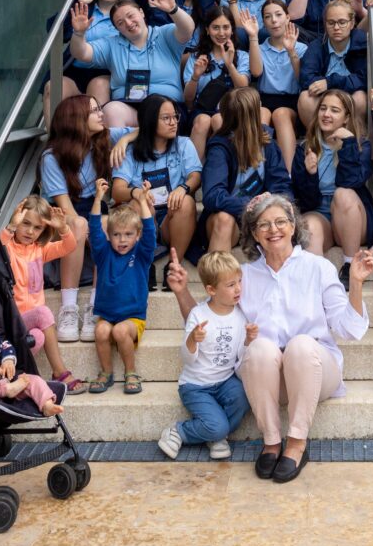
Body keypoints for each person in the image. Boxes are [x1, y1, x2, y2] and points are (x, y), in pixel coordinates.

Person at [166, 195, 373, 483]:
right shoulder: (246, 276)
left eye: (280, 222)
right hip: (267, 377)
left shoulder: (319, 268)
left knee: (301, 345)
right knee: (260, 347)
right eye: (263, 225)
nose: (273, 229)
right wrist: (181, 291)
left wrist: (355, 283)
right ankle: (271, 440)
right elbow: (209, 319)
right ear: (254, 234)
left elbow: (348, 329)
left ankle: (297, 442)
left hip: (315, 371)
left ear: (293, 226)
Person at [39, 94, 131, 351]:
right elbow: (65, 209)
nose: (101, 114)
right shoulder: (52, 157)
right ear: (77, 120)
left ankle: (95, 305)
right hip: (61, 218)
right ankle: (69, 306)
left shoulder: (103, 139)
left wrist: (124, 139)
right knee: (79, 225)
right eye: (94, 111)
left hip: (94, 212)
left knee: (106, 225)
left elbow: (143, 128)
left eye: (99, 108)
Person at [158, 251, 254, 462]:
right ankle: (179, 431)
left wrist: (248, 340)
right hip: (196, 386)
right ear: (211, 289)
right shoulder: (198, 315)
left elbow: (239, 357)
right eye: (230, 285)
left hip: (225, 381)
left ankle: (215, 435)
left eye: (239, 282)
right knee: (218, 427)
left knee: (244, 396)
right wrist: (193, 339)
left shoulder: (241, 315)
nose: (238, 288)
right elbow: (188, 358)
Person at [68, 0, 196, 127]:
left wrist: (173, 10)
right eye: (120, 22)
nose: (128, 23)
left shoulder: (164, 34)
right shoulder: (112, 44)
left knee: (157, 115)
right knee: (111, 110)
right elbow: (81, 53)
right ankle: (118, 149)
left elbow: (187, 29)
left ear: (141, 13)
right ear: (117, 29)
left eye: (131, 16)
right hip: (130, 108)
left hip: (167, 108)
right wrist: (79, 33)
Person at [111, 93, 201, 291]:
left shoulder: (184, 144)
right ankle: (144, 264)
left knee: (186, 202)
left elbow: (195, 176)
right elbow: (117, 190)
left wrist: (183, 187)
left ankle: (173, 264)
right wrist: (137, 193)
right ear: (151, 120)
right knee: (137, 205)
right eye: (166, 118)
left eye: (175, 116)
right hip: (145, 218)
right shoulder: (130, 151)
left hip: (172, 219)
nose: (173, 123)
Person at [0, 196, 84, 395]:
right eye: (25, 224)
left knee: (37, 337)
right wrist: (11, 226)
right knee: (45, 313)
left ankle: (15, 376)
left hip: (30, 325)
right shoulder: (8, 249)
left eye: (37, 228)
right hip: (12, 319)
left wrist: (63, 228)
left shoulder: (39, 249)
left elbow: (69, 247)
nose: (30, 231)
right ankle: (60, 372)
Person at [291, 88, 373, 274]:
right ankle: (318, 280)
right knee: (309, 225)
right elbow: (305, 202)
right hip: (320, 212)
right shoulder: (305, 148)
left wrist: (348, 145)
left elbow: (351, 181)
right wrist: (310, 174)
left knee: (342, 193)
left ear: (346, 117)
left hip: (352, 217)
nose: (326, 114)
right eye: (323, 108)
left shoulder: (361, 145)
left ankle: (349, 266)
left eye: (334, 110)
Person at [200, 88, 293, 253]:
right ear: (252, 115)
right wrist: (250, 205)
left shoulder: (267, 142)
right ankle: (218, 278)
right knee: (223, 219)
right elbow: (212, 196)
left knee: (282, 214)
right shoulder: (219, 148)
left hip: (262, 217)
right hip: (232, 218)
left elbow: (283, 186)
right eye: (258, 106)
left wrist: (270, 202)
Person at [88, 179, 157, 395]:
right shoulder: (103, 253)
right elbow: (94, 229)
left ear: (137, 236)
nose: (122, 239)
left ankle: (131, 372)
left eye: (128, 234)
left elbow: (150, 232)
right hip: (107, 315)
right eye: (116, 234)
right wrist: (98, 199)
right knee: (100, 330)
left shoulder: (141, 255)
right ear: (109, 236)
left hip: (133, 317)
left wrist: (143, 201)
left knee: (119, 331)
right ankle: (106, 373)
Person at [183, 4, 253, 158]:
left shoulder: (241, 56)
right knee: (202, 121)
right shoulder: (196, 58)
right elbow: (188, 100)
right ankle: (195, 174)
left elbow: (243, 87)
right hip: (202, 109)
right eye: (215, 27)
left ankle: (225, 168)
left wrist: (229, 64)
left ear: (232, 29)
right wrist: (195, 76)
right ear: (207, 30)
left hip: (232, 109)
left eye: (226, 27)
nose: (221, 33)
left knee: (219, 120)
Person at [253, 0, 306, 170]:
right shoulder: (259, 48)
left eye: (278, 15)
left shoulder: (302, 48)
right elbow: (255, 72)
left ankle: (288, 174)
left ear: (288, 18)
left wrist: (291, 52)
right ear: (264, 22)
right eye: (268, 17)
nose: (274, 20)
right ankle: (258, 171)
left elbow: (302, 79)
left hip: (290, 100)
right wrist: (253, 37)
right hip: (265, 99)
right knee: (261, 113)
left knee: (281, 114)